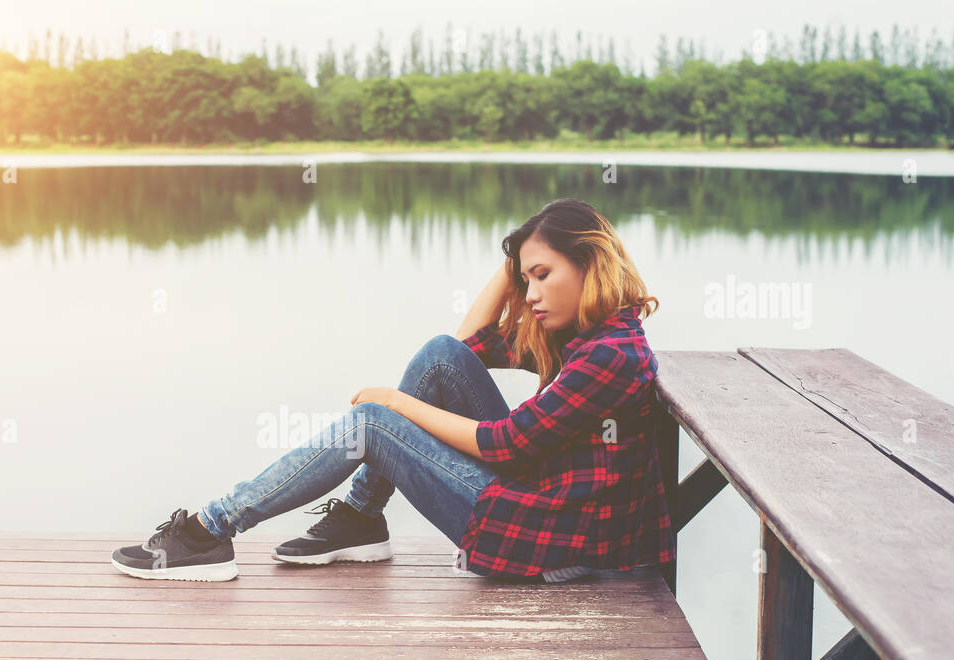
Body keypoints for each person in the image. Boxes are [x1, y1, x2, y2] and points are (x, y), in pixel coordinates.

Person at [110, 197, 675, 583]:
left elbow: (506, 445)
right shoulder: (594, 334)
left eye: (542, 275)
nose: (529, 293)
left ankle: (213, 529)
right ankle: (360, 515)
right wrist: (512, 263)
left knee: (372, 424)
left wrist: (394, 404)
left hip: (549, 542)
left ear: (590, 263)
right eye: (525, 279)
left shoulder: (608, 356)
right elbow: (466, 347)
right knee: (438, 356)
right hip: (548, 509)